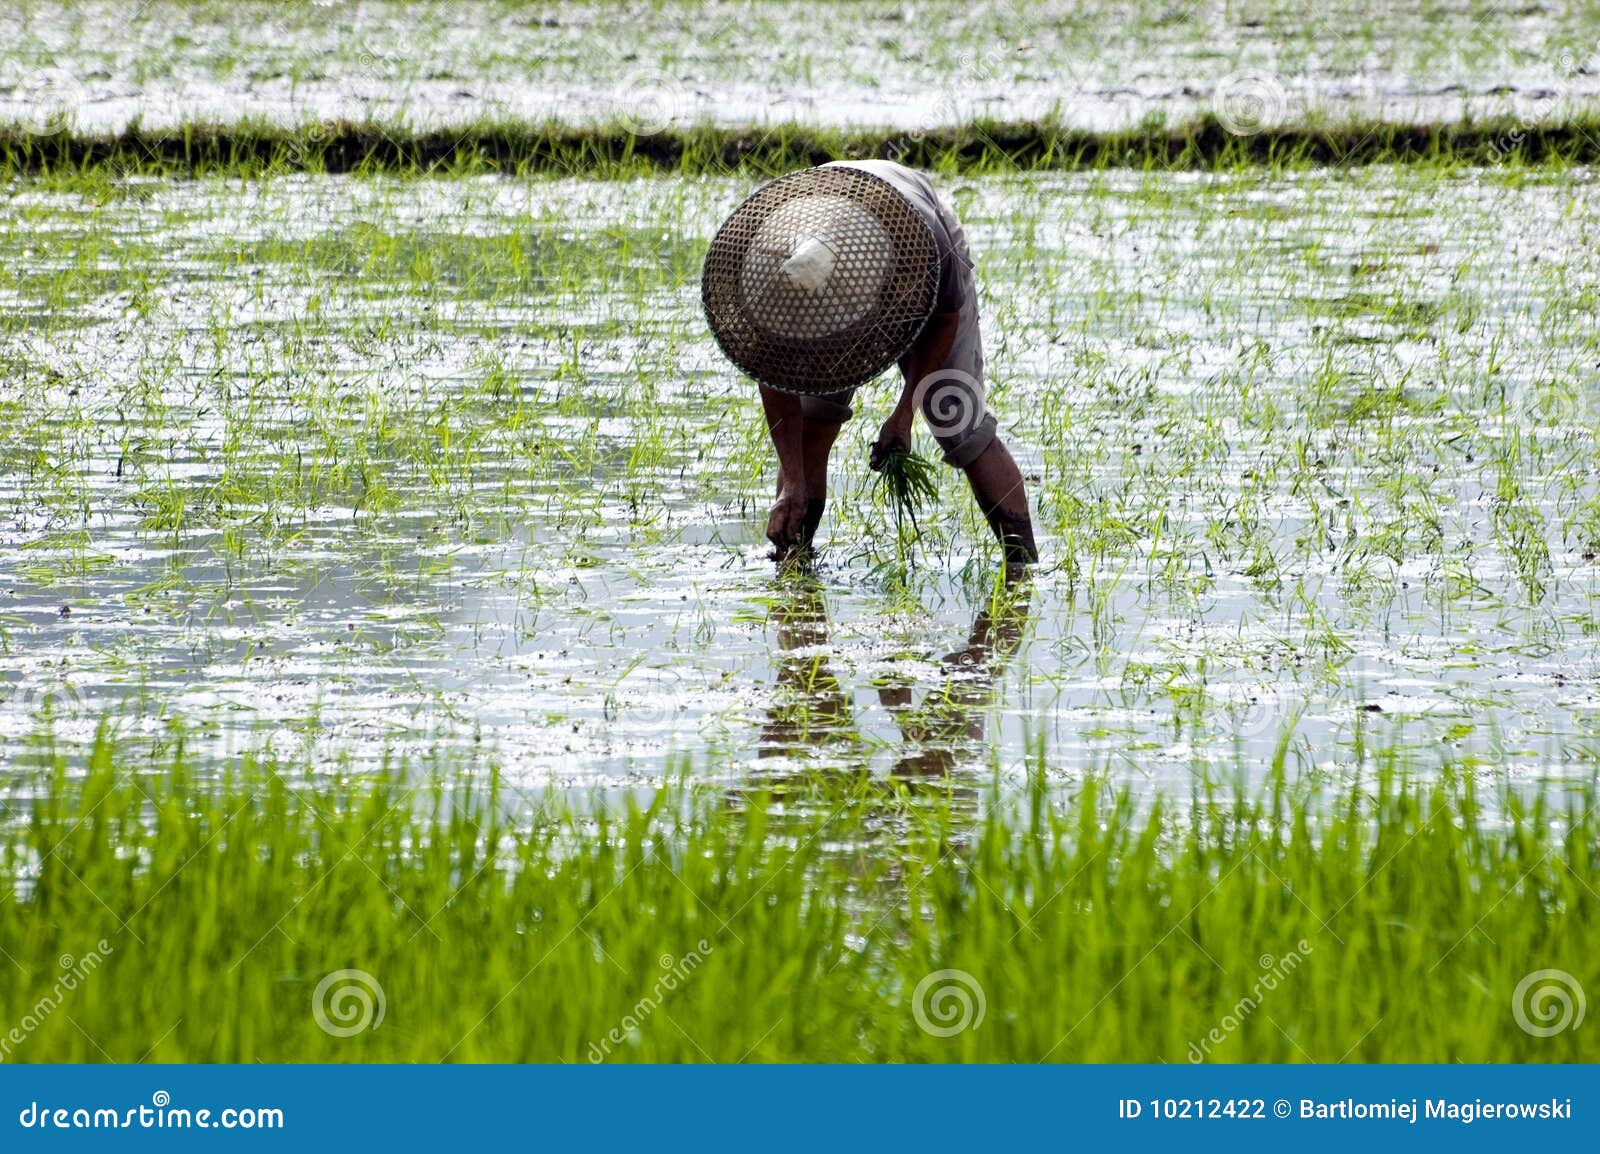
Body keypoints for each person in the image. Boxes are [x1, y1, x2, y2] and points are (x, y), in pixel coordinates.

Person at [755, 159, 1038, 566]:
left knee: (957, 419)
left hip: (918, 264)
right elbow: (774, 374)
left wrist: (904, 414)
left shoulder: (919, 244)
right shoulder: (775, 274)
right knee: (814, 422)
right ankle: (793, 558)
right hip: (823, 247)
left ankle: (1022, 563)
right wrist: (791, 478)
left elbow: (943, 320)